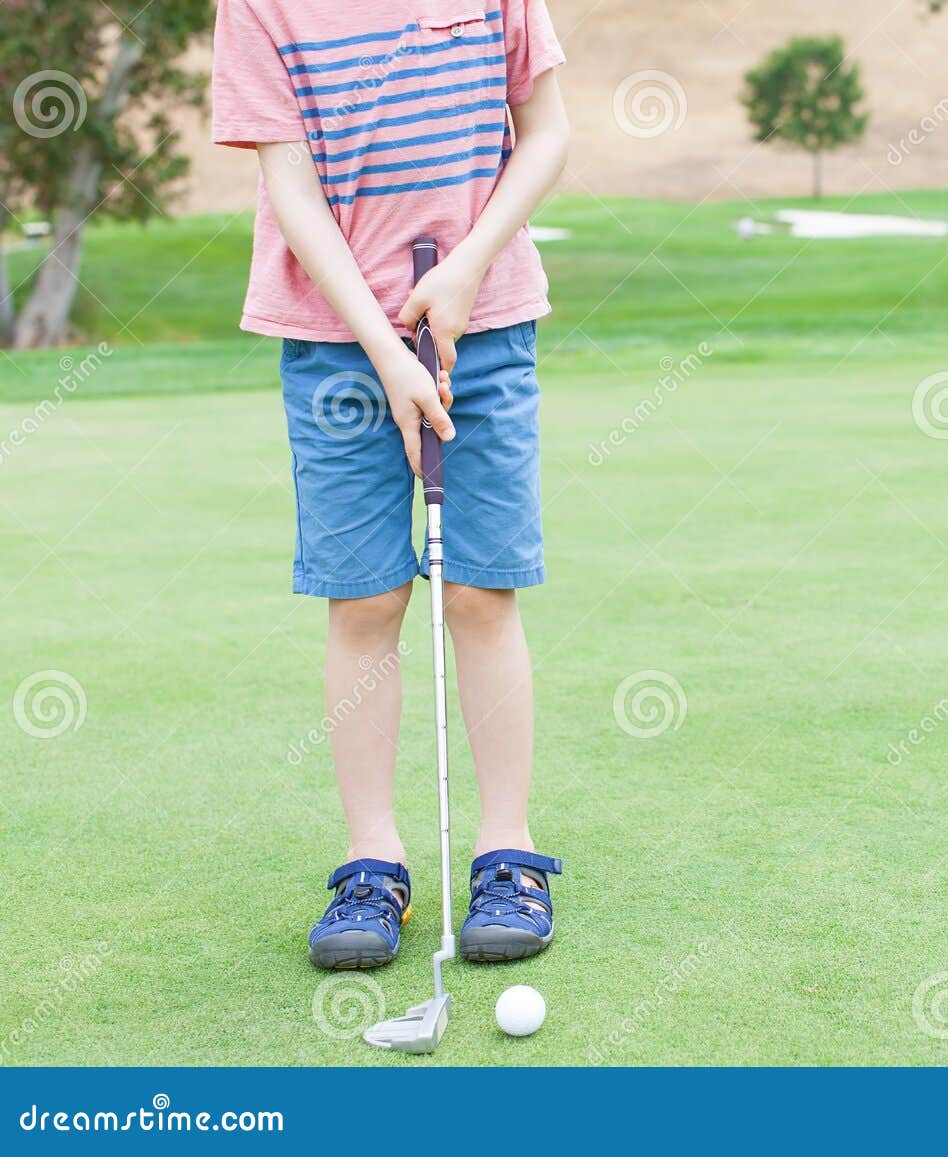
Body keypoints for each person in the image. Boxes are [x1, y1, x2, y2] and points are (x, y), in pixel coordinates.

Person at [211, 1, 570, 968]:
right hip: (336, 345)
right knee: (364, 599)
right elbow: (288, 187)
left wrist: (466, 268)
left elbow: (545, 134)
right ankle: (374, 861)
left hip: (482, 323)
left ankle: (509, 851)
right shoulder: (260, 7)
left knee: (480, 590)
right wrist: (384, 346)